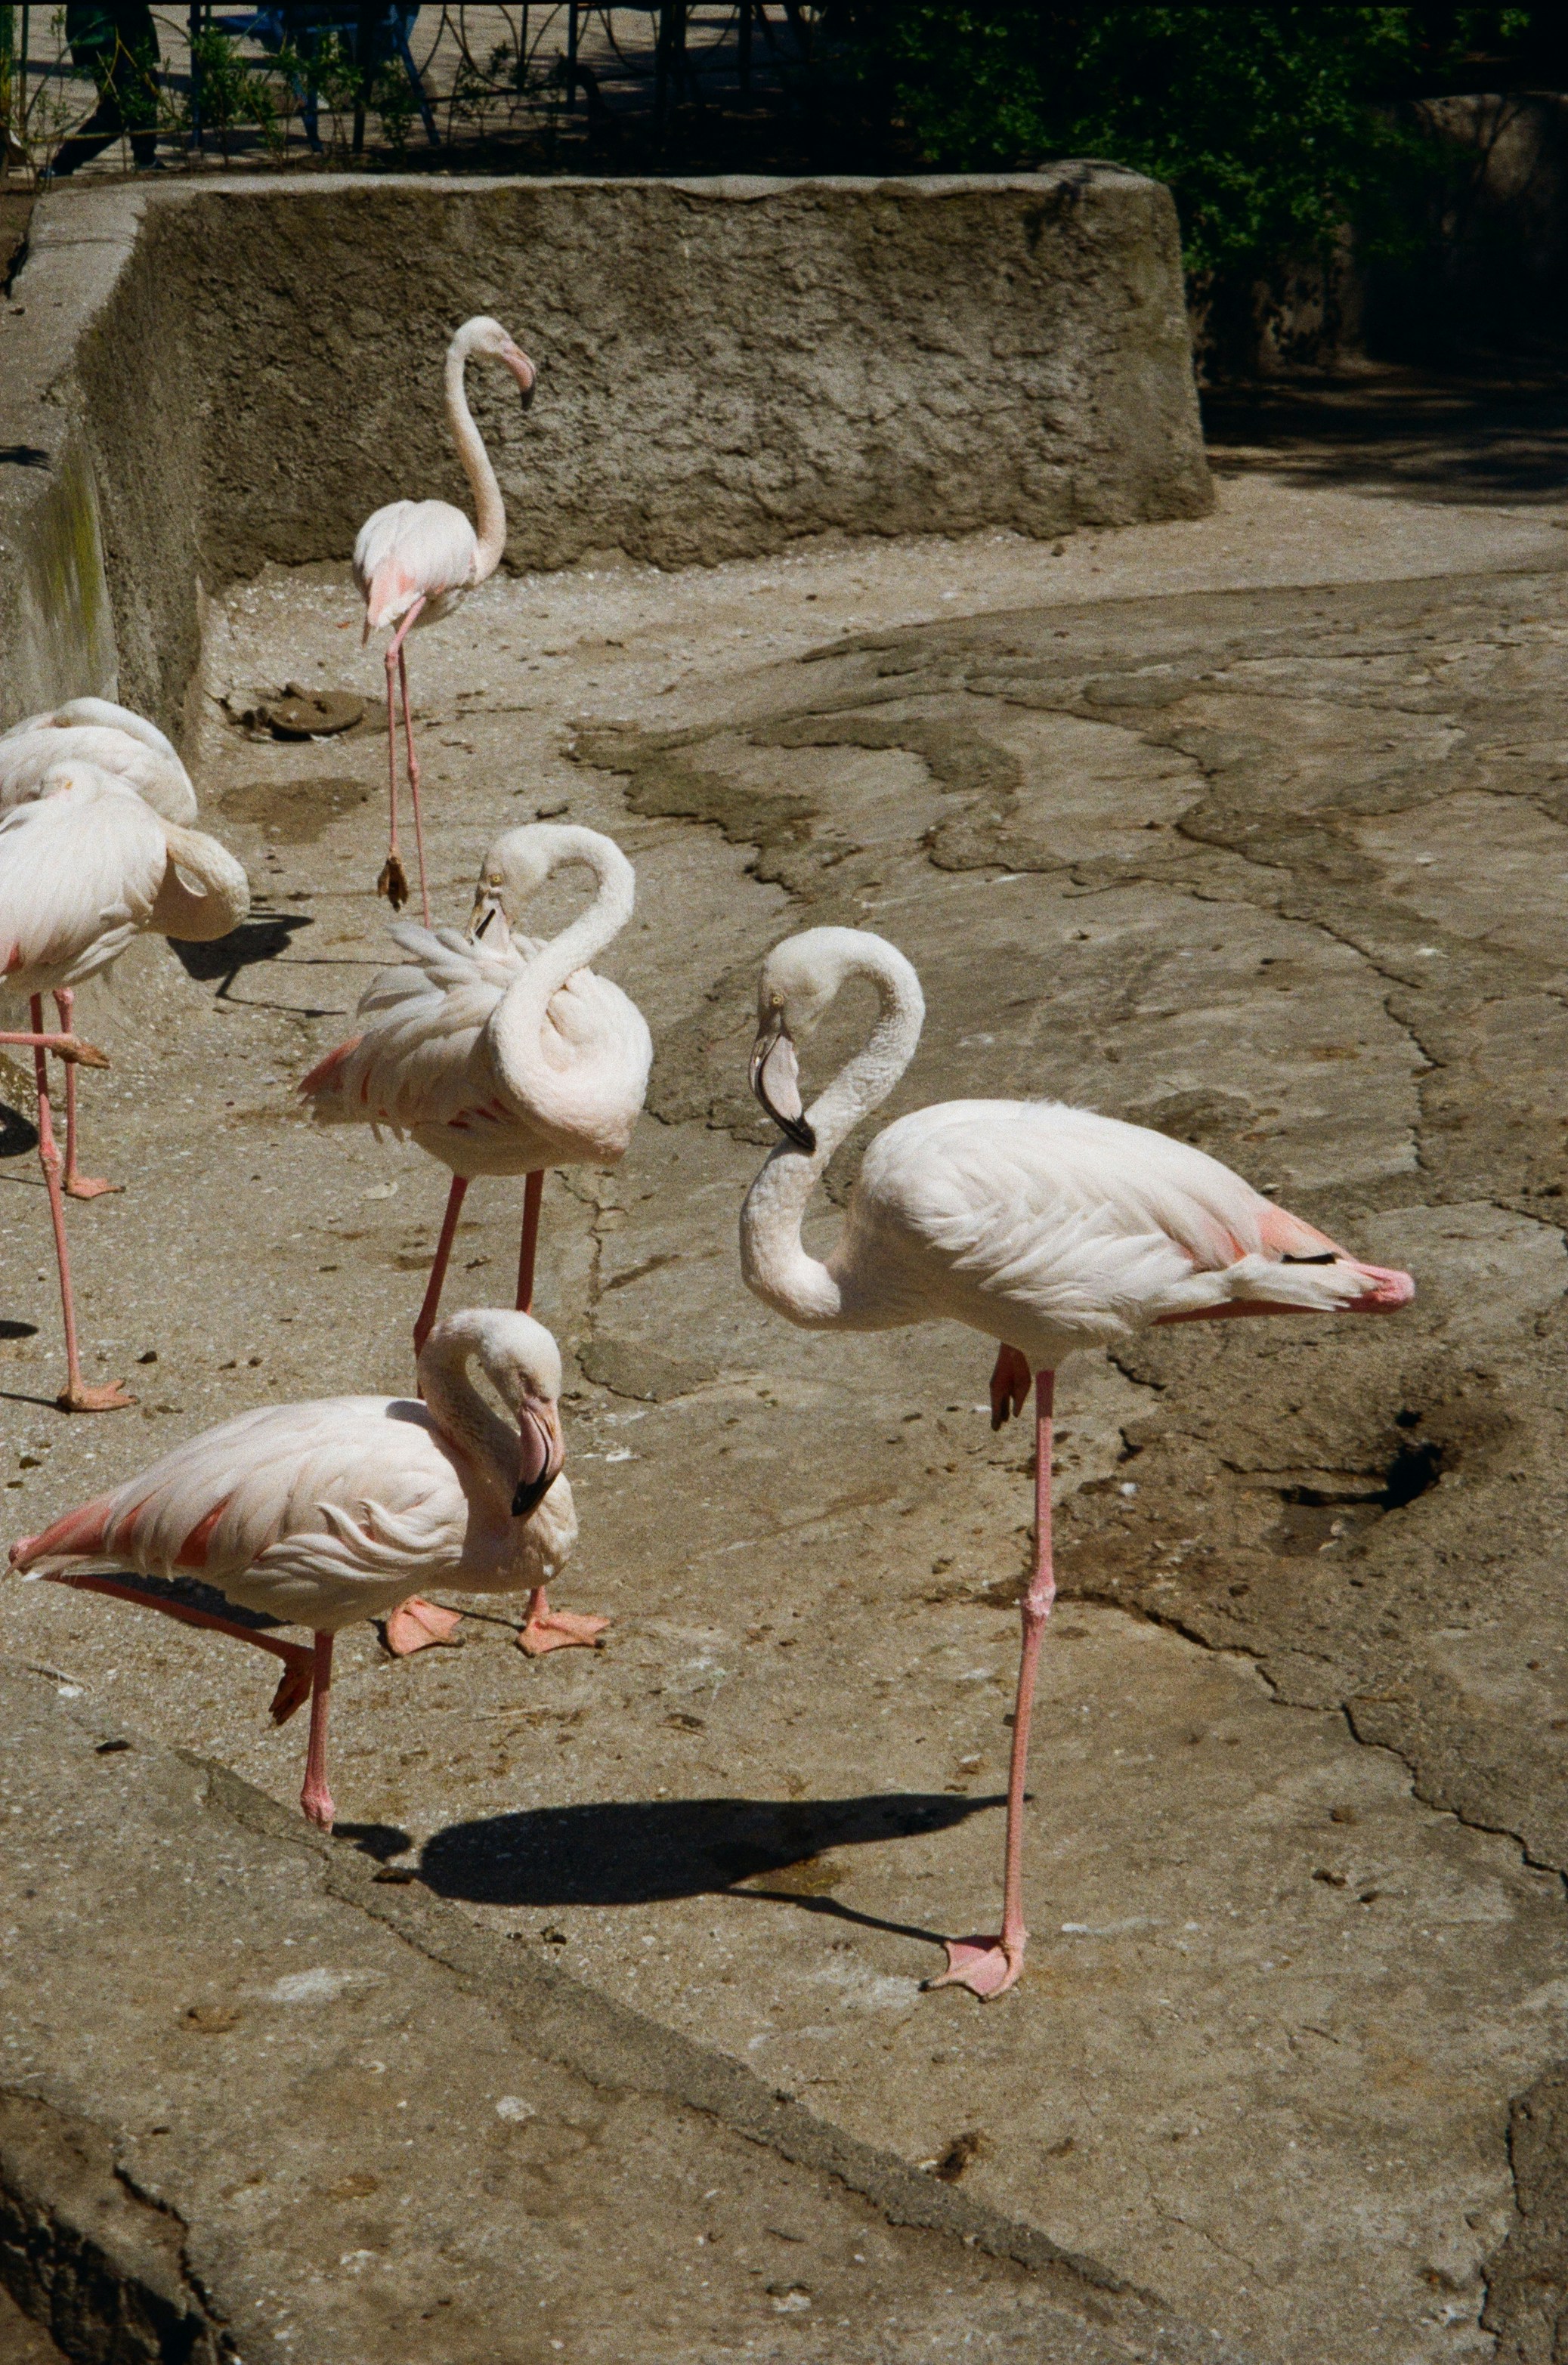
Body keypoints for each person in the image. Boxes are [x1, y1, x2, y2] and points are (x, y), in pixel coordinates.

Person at [46, 0, 162, 176]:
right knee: (118, 107)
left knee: (145, 89)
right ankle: (61, 165)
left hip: (123, 24)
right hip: (103, 29)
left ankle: (146, 158)